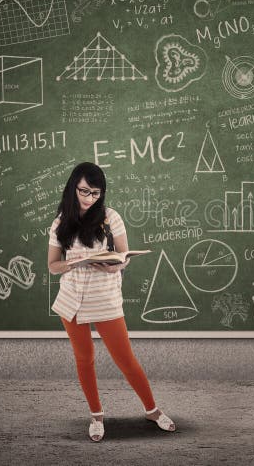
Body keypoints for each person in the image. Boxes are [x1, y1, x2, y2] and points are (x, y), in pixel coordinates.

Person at [48, 162, 176, 441]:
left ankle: (152, 410)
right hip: (72, 299)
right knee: (85, 359)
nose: (89, 198)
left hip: (105, 297)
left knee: (125, 359)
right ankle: (96, 416)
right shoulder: (60, 221)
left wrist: (114, 266)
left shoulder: (110, 217)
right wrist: (73, 262)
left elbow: (123, 256)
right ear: (73, 187)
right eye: (84, 191)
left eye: (96, 193)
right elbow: (52, 265)